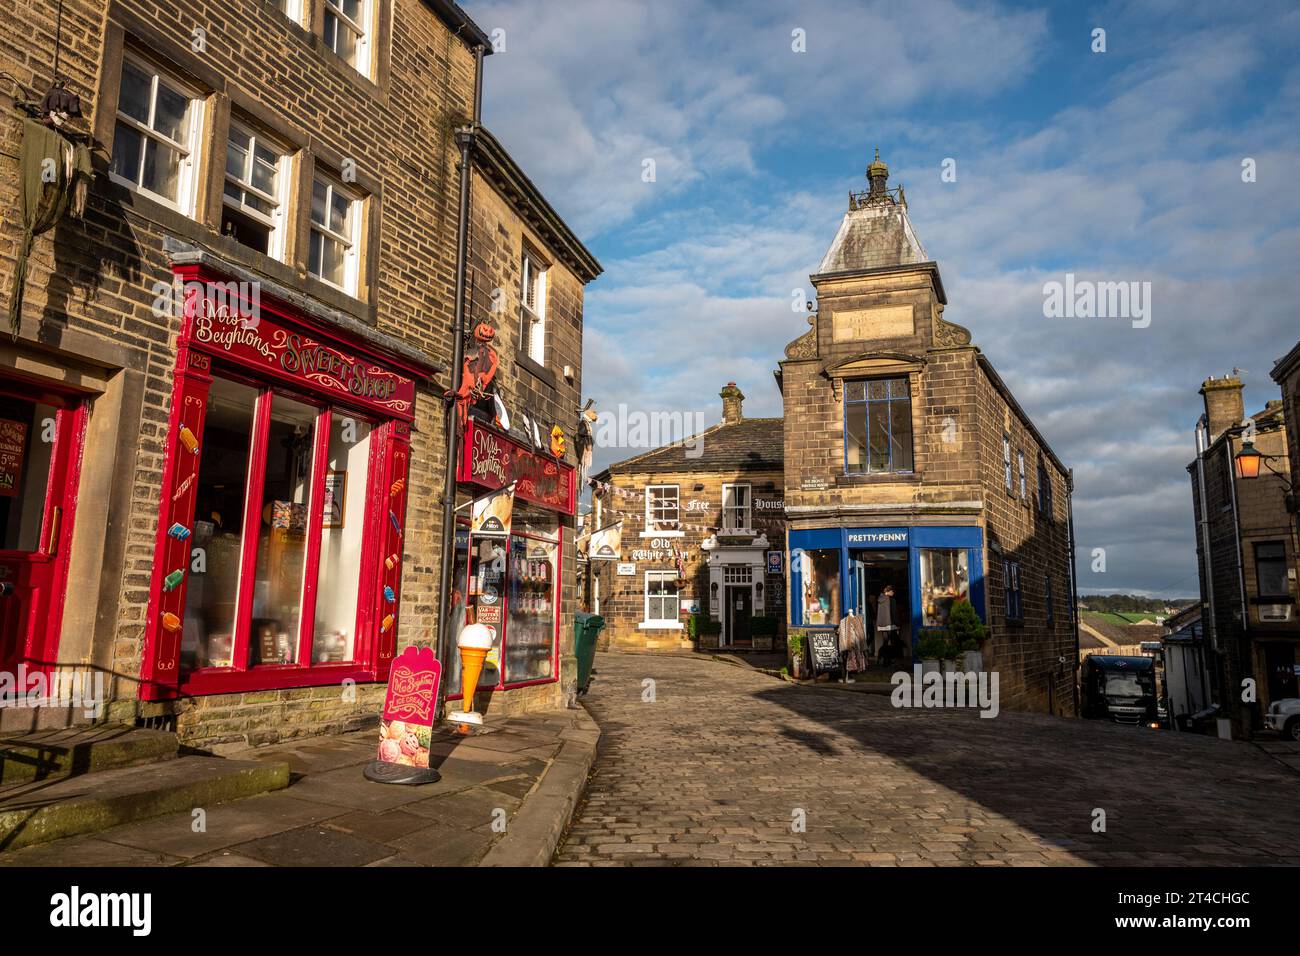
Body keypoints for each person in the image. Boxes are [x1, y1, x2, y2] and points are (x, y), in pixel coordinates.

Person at [876, 584, 900, 666]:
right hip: (890, 624)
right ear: (888, 591)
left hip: (882, 624)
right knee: (892, 642)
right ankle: (889, 659)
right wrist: (897, 623)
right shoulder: (891, 600)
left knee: (885, 642)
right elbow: (894, 613)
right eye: (892, 591)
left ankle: (884, 659)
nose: (893, 592)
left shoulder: (880, 599)